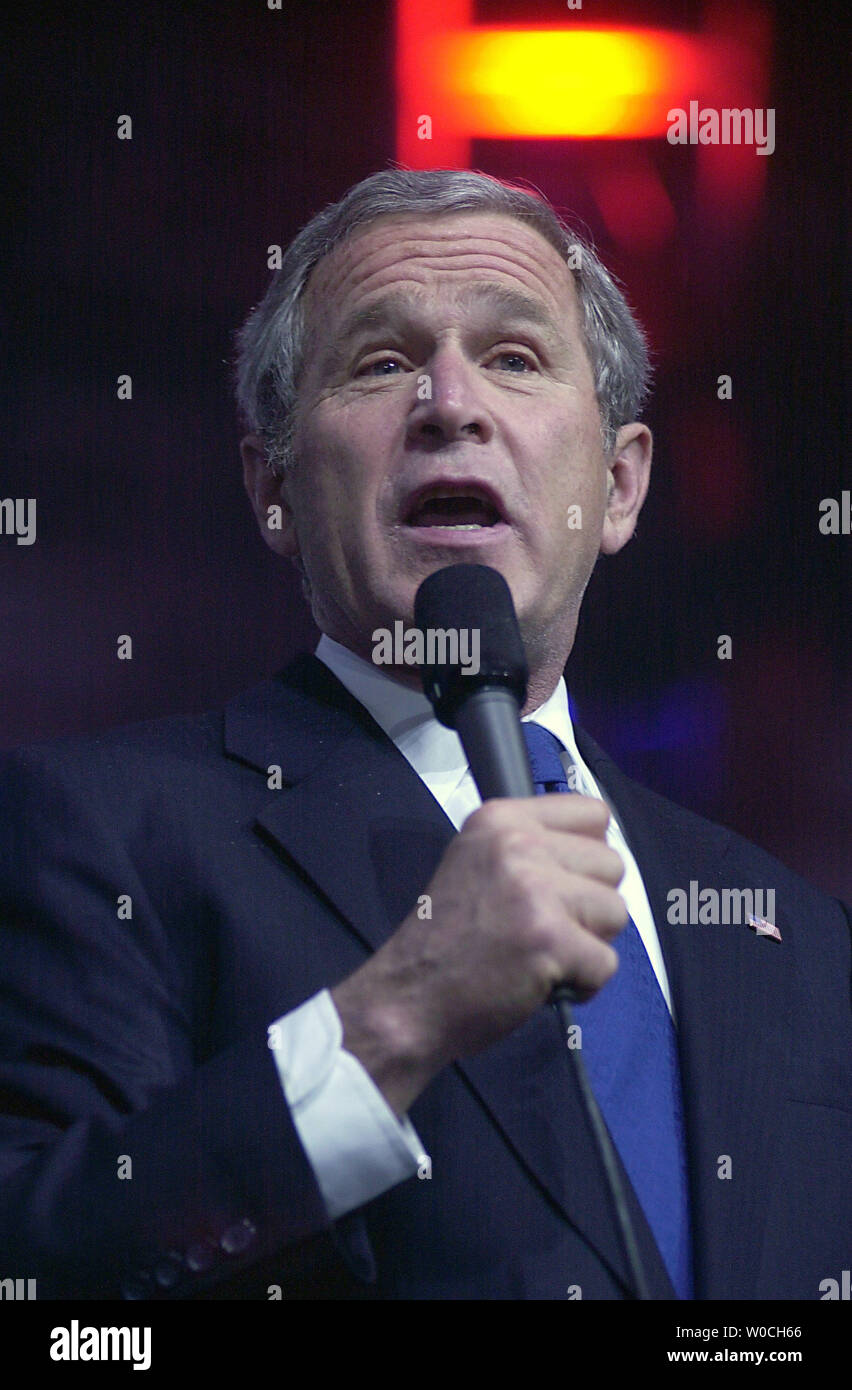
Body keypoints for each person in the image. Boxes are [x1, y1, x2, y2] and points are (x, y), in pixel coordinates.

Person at [1, 168, 849, 1302]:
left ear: (621, 484)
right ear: (276, 489)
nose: (450, 401)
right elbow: (47, 1278)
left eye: (514, 357)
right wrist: (394, 1018)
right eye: (383, 361)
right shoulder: (104, 835)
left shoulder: (797, 931)